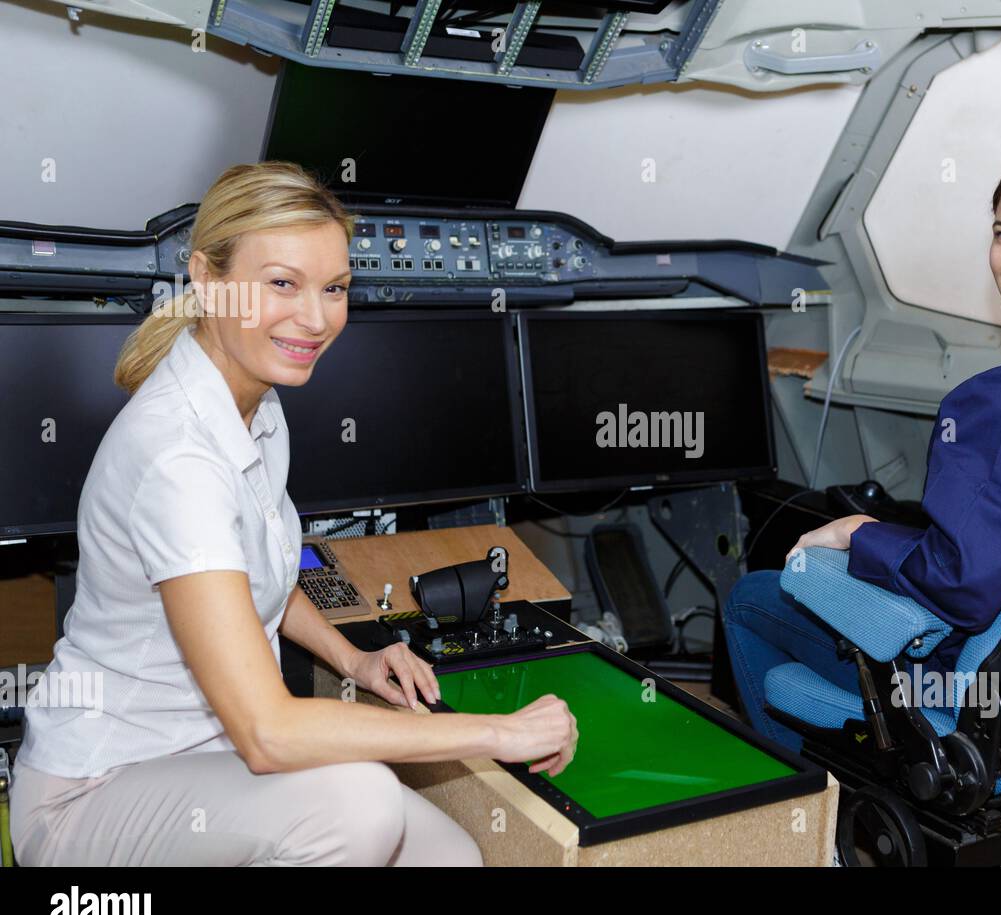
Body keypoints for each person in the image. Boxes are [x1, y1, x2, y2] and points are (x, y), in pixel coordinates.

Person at [10, 161, 578, 866]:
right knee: (357, 805)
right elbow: (269, 733)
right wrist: (497, 734)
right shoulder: (177, 460)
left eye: (335, 288)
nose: (316, 318)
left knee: (449, 859)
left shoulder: (256, 405)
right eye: (282, 284)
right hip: (93, 796)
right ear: (209, 280)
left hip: (208, 758)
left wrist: (357, 659)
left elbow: (261, 575)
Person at [725, 138, 1001, 752]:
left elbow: (963, 584)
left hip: (983, 682)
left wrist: (857, 532)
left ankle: (800, 814)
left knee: (754, 595)